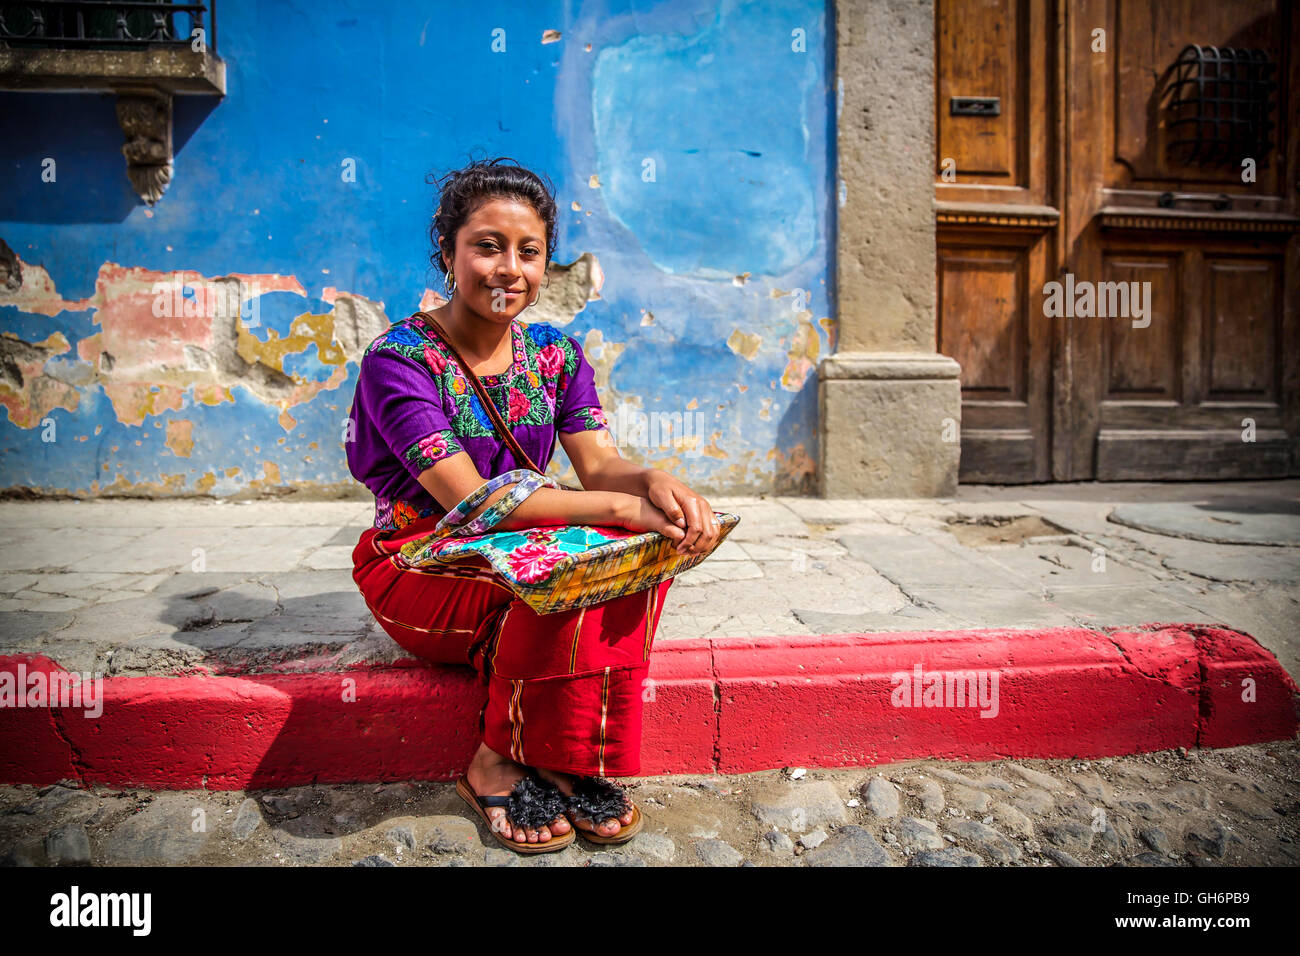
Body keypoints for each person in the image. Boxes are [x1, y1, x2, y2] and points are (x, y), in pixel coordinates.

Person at [347, 156, 722, 853]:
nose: (509, 270)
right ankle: (495, 758)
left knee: (636, 556)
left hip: (518, 546)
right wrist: (619, 511)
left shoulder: (556, 355)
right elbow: (471, 500)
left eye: (529, 252)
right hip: (420, 563)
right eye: (487, 247)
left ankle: (559, 755)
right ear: (448, 253)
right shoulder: (400, 360)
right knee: (566, 573)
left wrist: (652, 483)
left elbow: (599, 464)